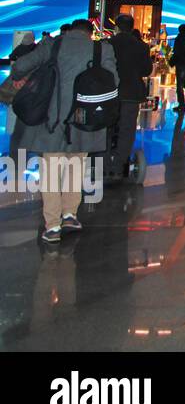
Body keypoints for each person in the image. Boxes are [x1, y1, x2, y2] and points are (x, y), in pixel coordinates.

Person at [10, 18, 119, 243]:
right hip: (86, 121)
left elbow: (21, 66)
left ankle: (52, 226)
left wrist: (18, 77)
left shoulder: (53, 44)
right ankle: (70, 214)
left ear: (70, 31)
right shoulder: (102, 48)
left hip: (54, 120)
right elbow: (114, 81)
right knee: (75, 167)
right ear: (90, 33)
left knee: (51, 171)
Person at [107, 14, 151, 184]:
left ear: (116, 27)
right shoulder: (141, 46)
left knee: (107, 128)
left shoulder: (107, 44)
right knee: (127, 129)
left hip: (110, 93)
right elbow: (146, 70)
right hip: (131, 94)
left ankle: (104, 163)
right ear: (132, 27)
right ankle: (119, 167)